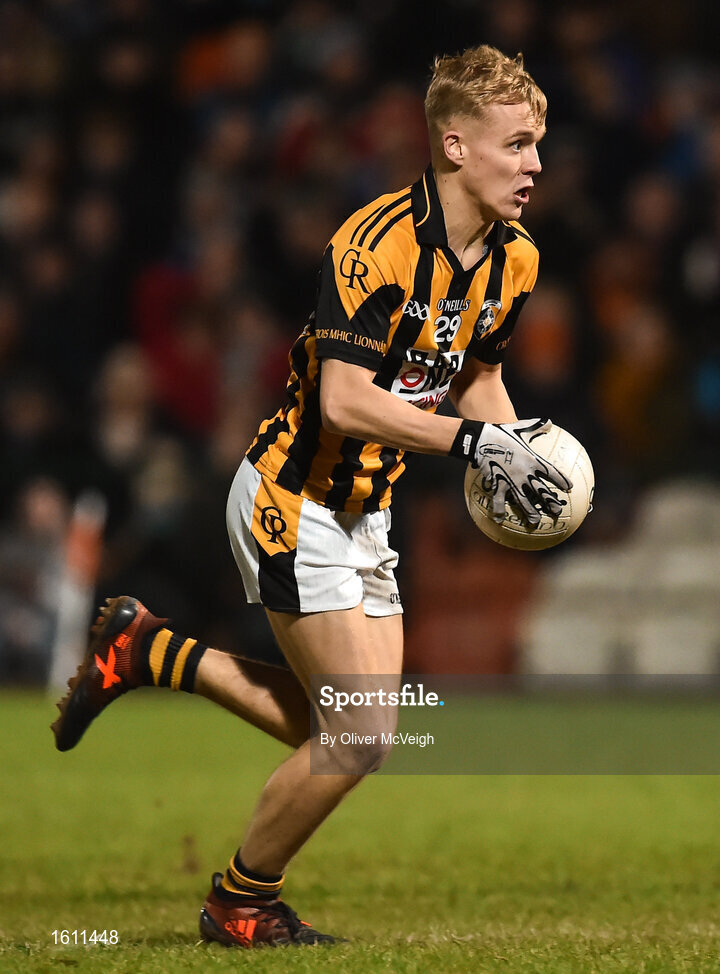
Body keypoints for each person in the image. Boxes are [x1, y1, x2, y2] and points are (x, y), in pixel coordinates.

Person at [52, 44, 570, 948]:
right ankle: (238, 904)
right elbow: (343, 399)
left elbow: (477, 375)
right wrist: (474, 442)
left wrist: (515, 459)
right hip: (294, 498)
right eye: (517, 145)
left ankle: (146, 651)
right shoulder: (373, 246)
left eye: (537, 146)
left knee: (355, 727)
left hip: (368, 512)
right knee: (363, 736)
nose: (535, 165)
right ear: (455, 146)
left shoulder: (513, 262)